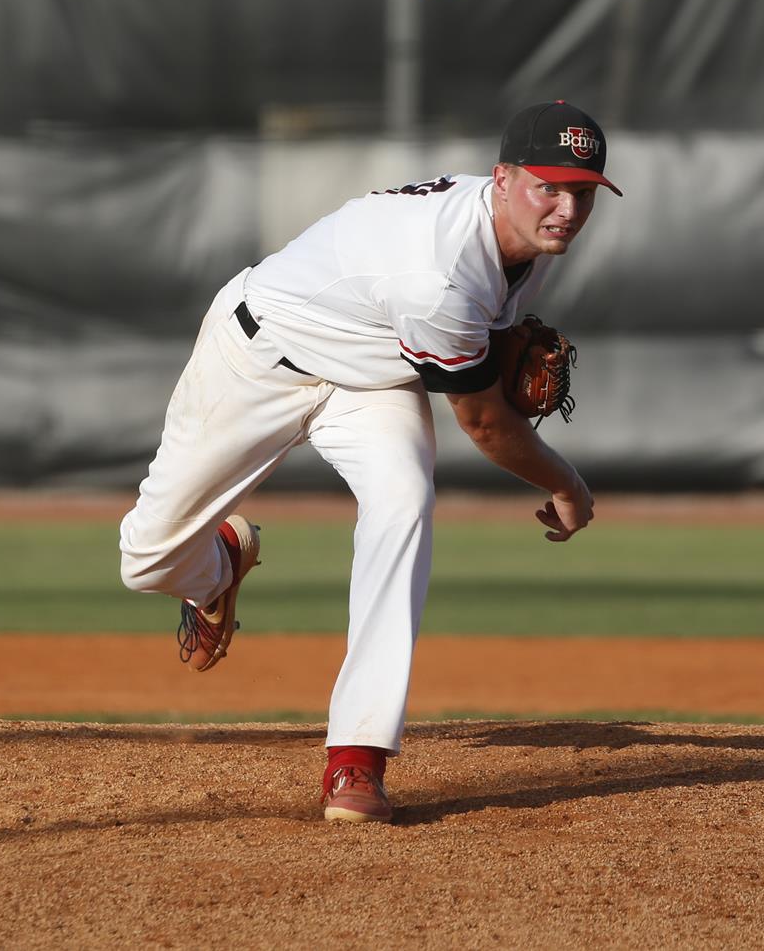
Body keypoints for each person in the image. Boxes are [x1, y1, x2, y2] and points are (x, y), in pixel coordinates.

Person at [118, 99, 620, 823]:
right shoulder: (443, 270)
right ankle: (219, 565)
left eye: (582, 192)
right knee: (144, 560)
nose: (567, 208)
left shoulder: (521, 240)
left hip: (371, 381)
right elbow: (483, 422)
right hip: (256, 357)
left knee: (404, 502)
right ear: (503, 176)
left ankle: (357, 759)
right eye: (550, 185)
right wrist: (567, 483)